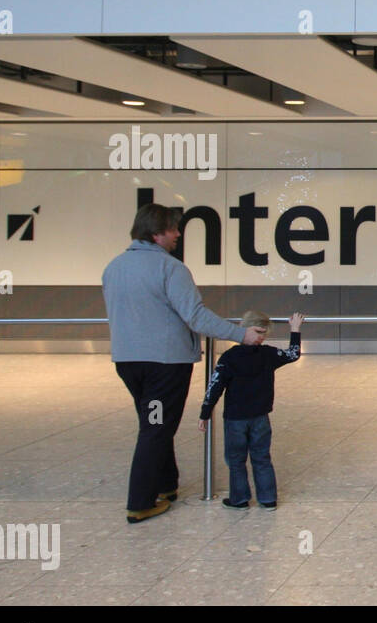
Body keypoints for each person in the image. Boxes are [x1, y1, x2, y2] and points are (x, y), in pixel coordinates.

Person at [102, 204, 267, 524]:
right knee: (155, 429)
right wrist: (240, 335)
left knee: (154, 423)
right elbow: (196, 316)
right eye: (173, 229)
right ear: (156, 232)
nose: (178, 234)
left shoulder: (114, 267)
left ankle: (166, 484)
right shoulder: (170, 269)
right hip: (164, 364)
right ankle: (140, 502)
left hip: (127, 361)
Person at [198, 311, 304, 510]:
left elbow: (215, 386)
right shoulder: (268, 355)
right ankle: (267, 498)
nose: (260, 337)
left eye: (263, 333)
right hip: (260, 416)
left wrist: (205, 412)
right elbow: (293, 353)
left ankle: (239, 499)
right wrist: (295, 329)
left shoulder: (229, 358)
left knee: (236, 459)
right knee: (261, 457)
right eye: (260, 332)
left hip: (235, 418)